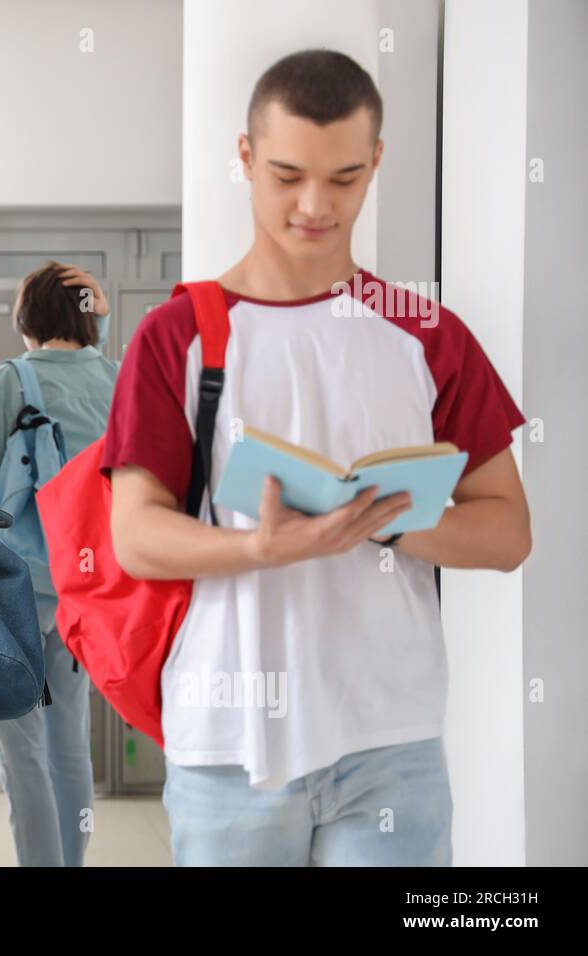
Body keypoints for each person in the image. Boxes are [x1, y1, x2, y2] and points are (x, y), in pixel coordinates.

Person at [104, 49, 531, 866]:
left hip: (391, 740)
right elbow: (136, 535)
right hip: (229, 743)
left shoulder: (426, 333)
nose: (313, 205)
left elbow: (509, 531)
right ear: (244, 158)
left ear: (376, 161)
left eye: (343, 179)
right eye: (287, 174)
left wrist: (381, 524)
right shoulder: (180, 334)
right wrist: (260, 548)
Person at [0, 261, 117, 866]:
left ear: (27, 319)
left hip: (18, 590)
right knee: (71, 743)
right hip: (89, 589)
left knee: (22, 752)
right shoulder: (117, 377)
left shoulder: (12, 379)